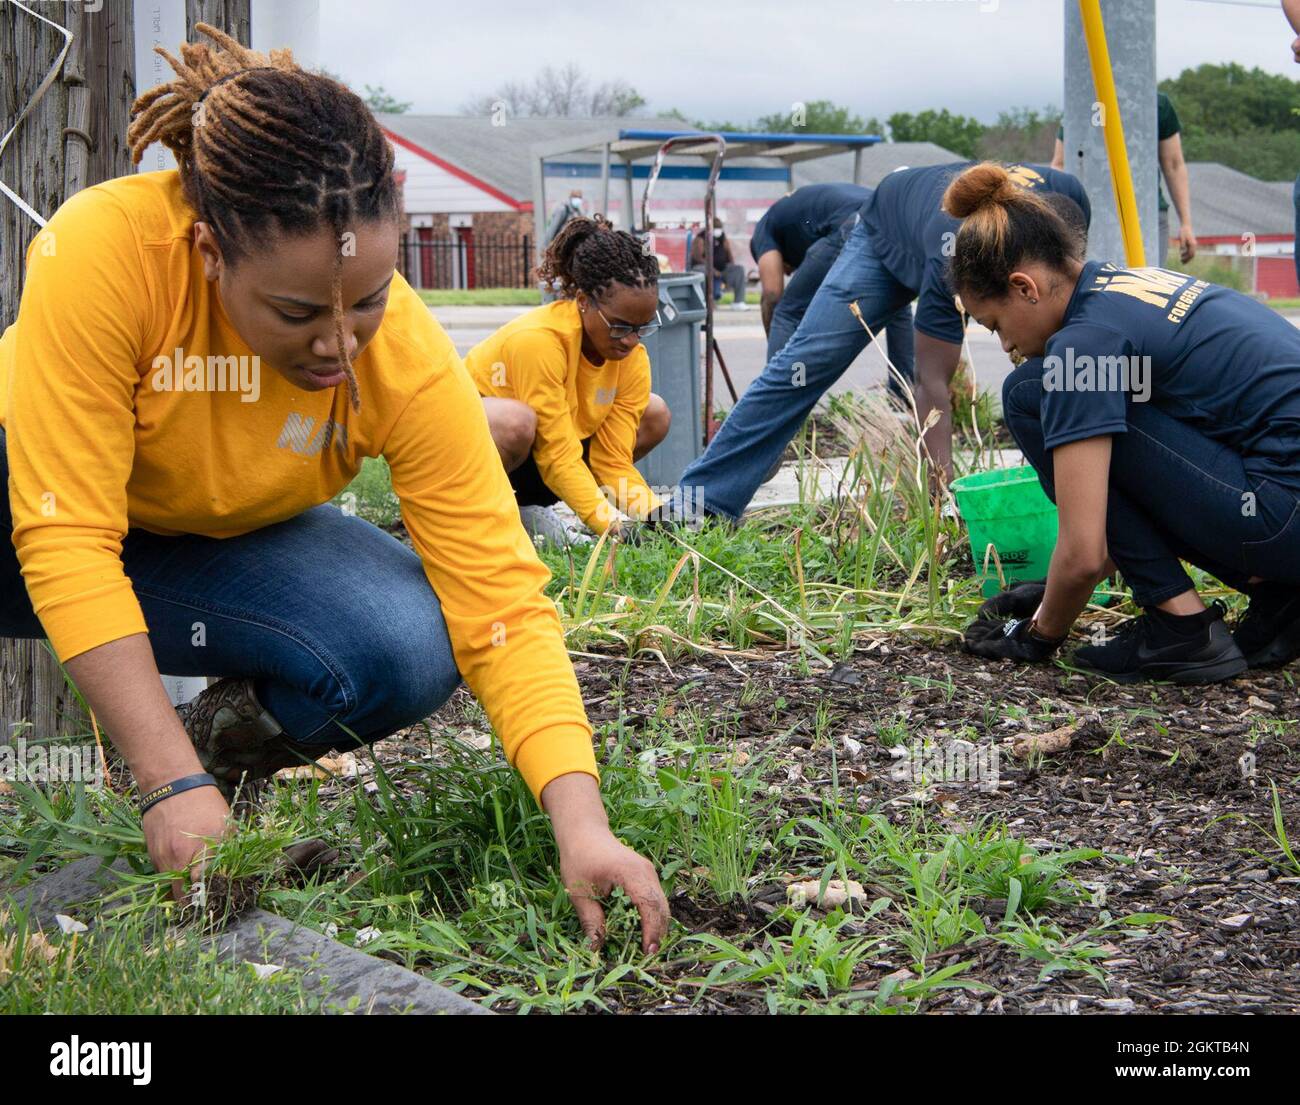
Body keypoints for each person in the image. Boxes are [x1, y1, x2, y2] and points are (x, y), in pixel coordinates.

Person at [0, 25, 668, 952]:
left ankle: (211, 749)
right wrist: (167, 786)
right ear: (207, 255)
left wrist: (581, 820)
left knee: (402, 640)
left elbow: (499, 597)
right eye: (297, 311)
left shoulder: (401, 356)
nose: (340, 344)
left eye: (367, 298)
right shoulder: (106, 254)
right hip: (30, 513)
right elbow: (65, 536)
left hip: (194, 543)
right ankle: (170, 774)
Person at [950, 163, 1300, 684]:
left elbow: (1086, 553)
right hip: (1283, 506)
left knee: (1028, 393)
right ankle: (1284, 599)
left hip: (1284, 515)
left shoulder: (1085, 345)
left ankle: (1180, 628)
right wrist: (1052, 587)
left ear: (1025, 287)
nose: (1005, 347)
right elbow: (1154, 481)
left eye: (996, 325)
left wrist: (1037, 632)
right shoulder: (1128, 286)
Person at [672, 162, 1090, 522]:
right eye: (991, 326)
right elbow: (932, 387)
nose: (1003, 346)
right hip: (884, 230)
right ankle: (698, 506)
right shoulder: (954, 260)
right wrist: (943, 507)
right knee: (806, 363)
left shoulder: (1068, 201)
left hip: (941, 231)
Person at [467, 214, 671, 545]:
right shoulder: (539, 340)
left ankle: (524, 508)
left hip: (538, 454)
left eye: (643, 327)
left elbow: (612, 460)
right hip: (465, 447)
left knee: (654, 413)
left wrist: (656, 516)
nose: (632, 340)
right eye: (619, 326)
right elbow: (556, 453)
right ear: (582, 301)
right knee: (515, 422)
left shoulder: (631, 357)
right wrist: (610, 525)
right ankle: (472, 518)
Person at [751, 182, 915, 400]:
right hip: (893, 222)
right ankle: (903, 400)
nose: (789, 274)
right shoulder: (802, 210)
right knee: (898, 308)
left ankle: (777, 400)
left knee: (789, 312)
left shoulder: (764, 229)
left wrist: (773, 337)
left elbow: (772, 294)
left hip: (851, 224)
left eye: (786, 270)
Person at [1051, 92, 1196, 265]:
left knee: (1147, 288)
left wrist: (1186, 223)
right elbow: (1060, 164)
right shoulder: (1082, 100)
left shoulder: (1155, 103)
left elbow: (1173, 164)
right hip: (1091, 215)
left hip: (1147, 216)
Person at [690, 216, 748, 307]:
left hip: (722, 270)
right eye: (716, 228)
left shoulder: (722, 237)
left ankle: (738, 302)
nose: (718, 230)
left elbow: (729, 254)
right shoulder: (700, 238)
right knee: (700, 271)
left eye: (719, 228)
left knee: (739, 269)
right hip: (705, 268)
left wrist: (731, 266)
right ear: (709, 228)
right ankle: (704, 302)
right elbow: (698, 258)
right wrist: (712, 270)